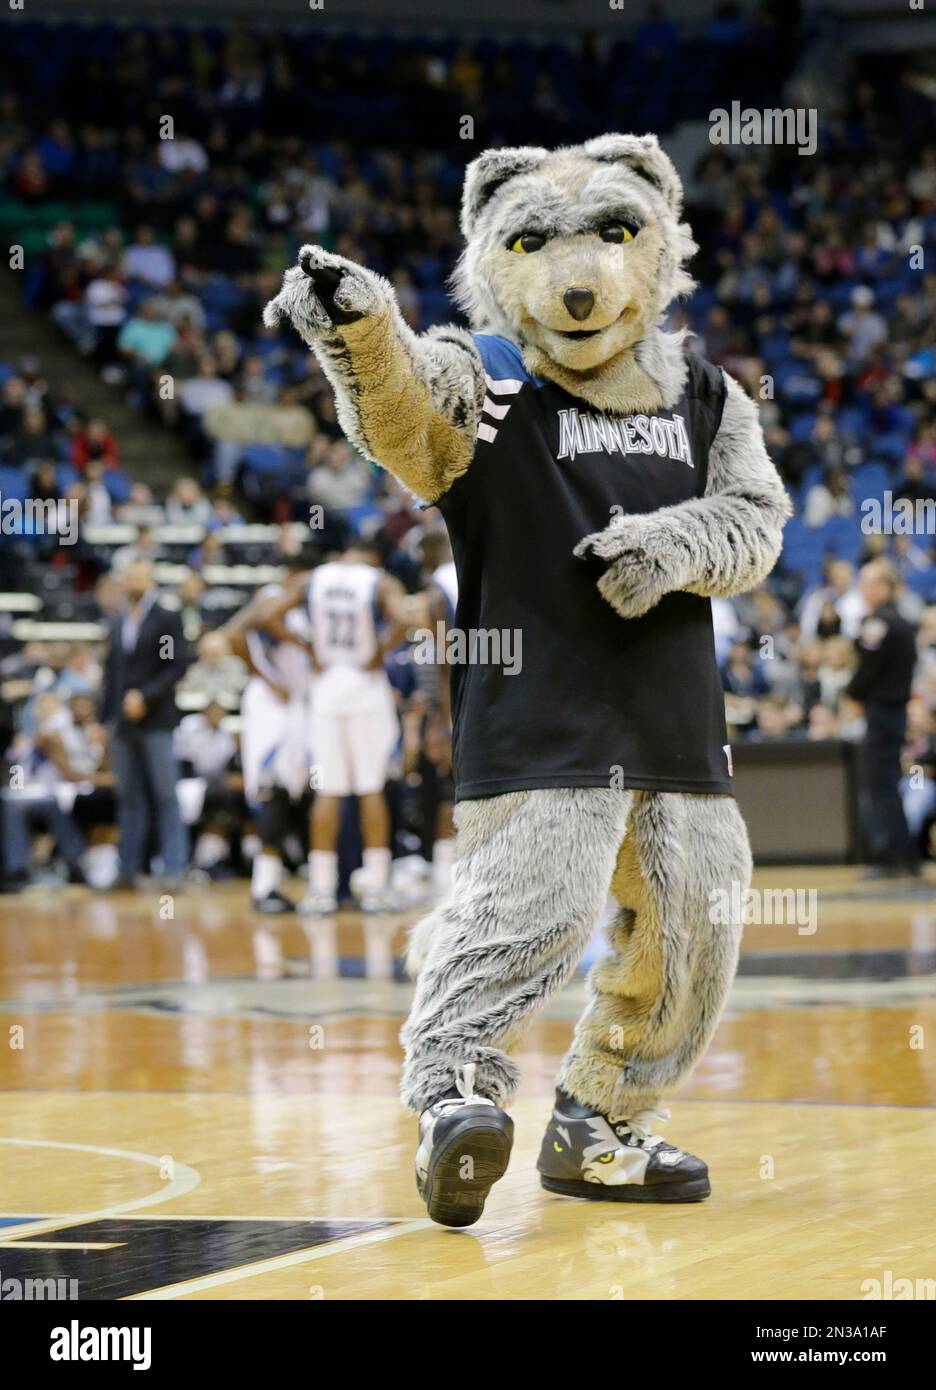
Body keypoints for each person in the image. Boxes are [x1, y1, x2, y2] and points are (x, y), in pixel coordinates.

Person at [256, 540, 408, 913]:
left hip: (326, 690)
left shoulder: (313, 580)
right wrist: (380, 651)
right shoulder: (379, 581)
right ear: (370, 558)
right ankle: (375, 886)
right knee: (371, 787)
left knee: (327, 791)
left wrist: (307, 646)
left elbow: (265, 615)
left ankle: (320, 890)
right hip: (365, 687)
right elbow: (405, 618)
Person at [99, 558, 191, 887]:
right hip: (121, 721)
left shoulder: (166, 614)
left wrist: (145, 697)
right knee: (128, 796)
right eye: (129, 574)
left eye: (139, 573)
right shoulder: (119, 617)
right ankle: (128, 870)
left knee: (166, 794)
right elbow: (113, 672)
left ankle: (174, 869)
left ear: (151, 577)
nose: (133, 579)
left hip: (156, 718)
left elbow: (177, 664)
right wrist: (104, 717)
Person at [846, 559, 920, 878]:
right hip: (895, 712)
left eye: (867, 582)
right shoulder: (903, 621)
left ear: (884, 586)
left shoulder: (879, 622)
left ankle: (892, 857)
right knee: (887, 782)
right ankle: (903, 855)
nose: (863, 589)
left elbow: (868, 668)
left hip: (881, 712)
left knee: (880, 785)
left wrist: (852, 694)